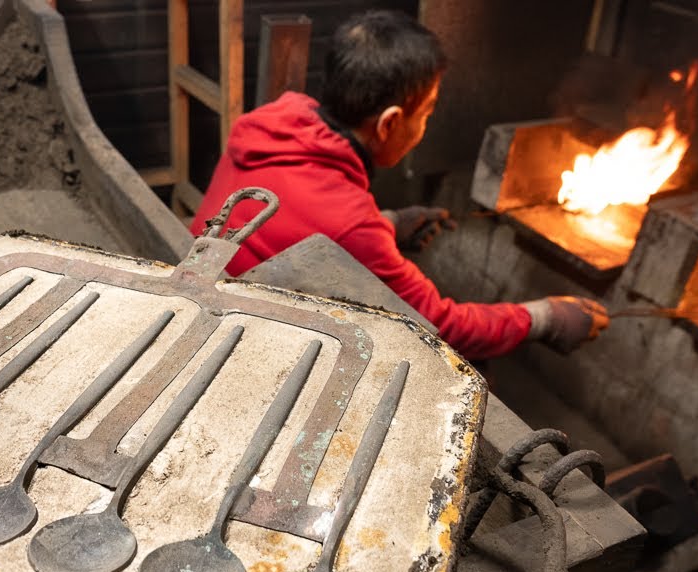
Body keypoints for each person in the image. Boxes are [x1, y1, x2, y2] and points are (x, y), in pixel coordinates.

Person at [189, 9, 608, 359]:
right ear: (390, 123)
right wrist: (545, 317)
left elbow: (299, 223)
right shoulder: (351, 224)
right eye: (425, 113)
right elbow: (441, 327)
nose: (425, 124)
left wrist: (388, 221)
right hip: (247, 341)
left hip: (213, 290)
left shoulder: (270, 123)